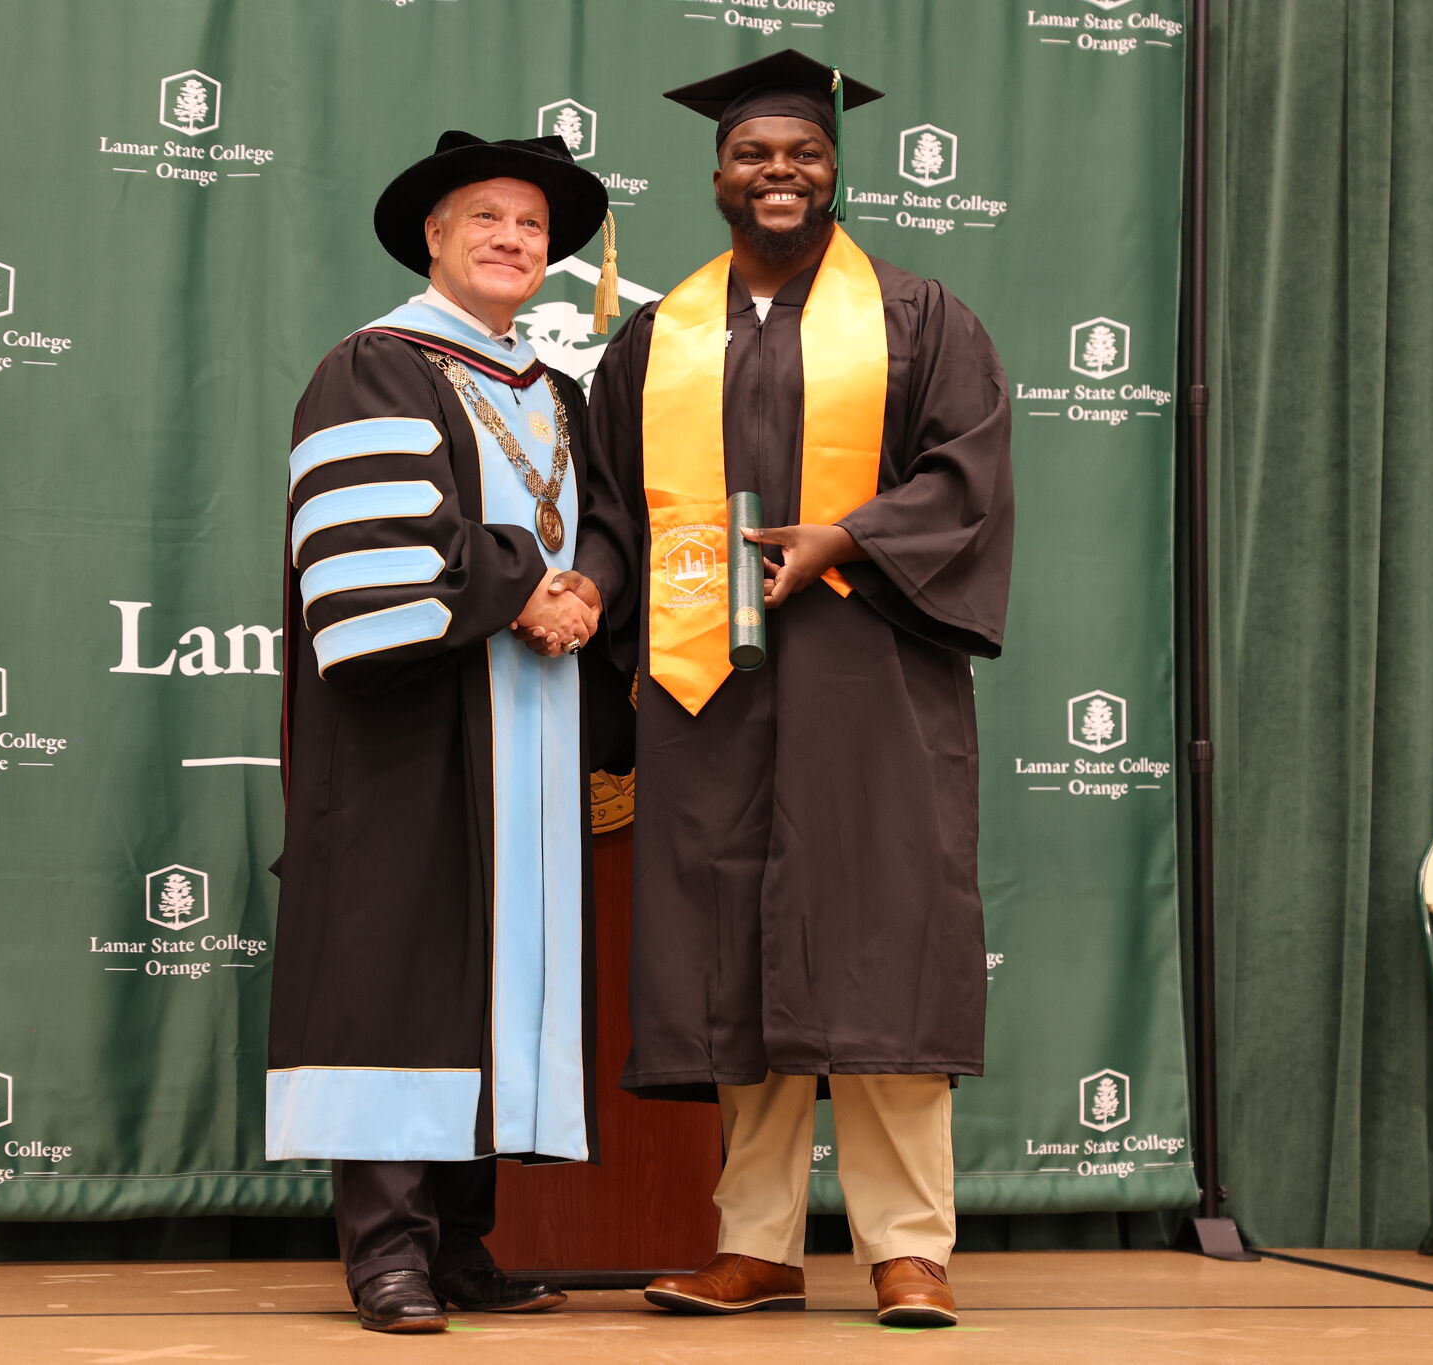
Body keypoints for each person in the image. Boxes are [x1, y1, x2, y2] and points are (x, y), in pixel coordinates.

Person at [575, 50, 1014, 1329]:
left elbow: (967, 473)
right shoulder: (657, 338)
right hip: (707, 688)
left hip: (868, 676)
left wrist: (850, 538)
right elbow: (611, 503)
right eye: (754, 155)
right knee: (732, 957)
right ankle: (753, 1244)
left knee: (880, 949)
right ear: (716, 175)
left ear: (835, 167)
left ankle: (906, 1249)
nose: (779, 173)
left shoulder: (918, 317)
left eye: (801, 154)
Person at [265, 130, 606, 1335]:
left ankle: (460, 1241)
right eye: (486, 220)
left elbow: (604, 518)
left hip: (532, 723)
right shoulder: (372, 368)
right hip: (412, 728)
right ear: (434, 236)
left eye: (530, 226)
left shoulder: (555, 388)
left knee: (495, 971)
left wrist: (591, 590)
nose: (513, 240)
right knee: (399, 971)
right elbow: (371, 561)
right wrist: (527, 586)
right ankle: (386, 1255)